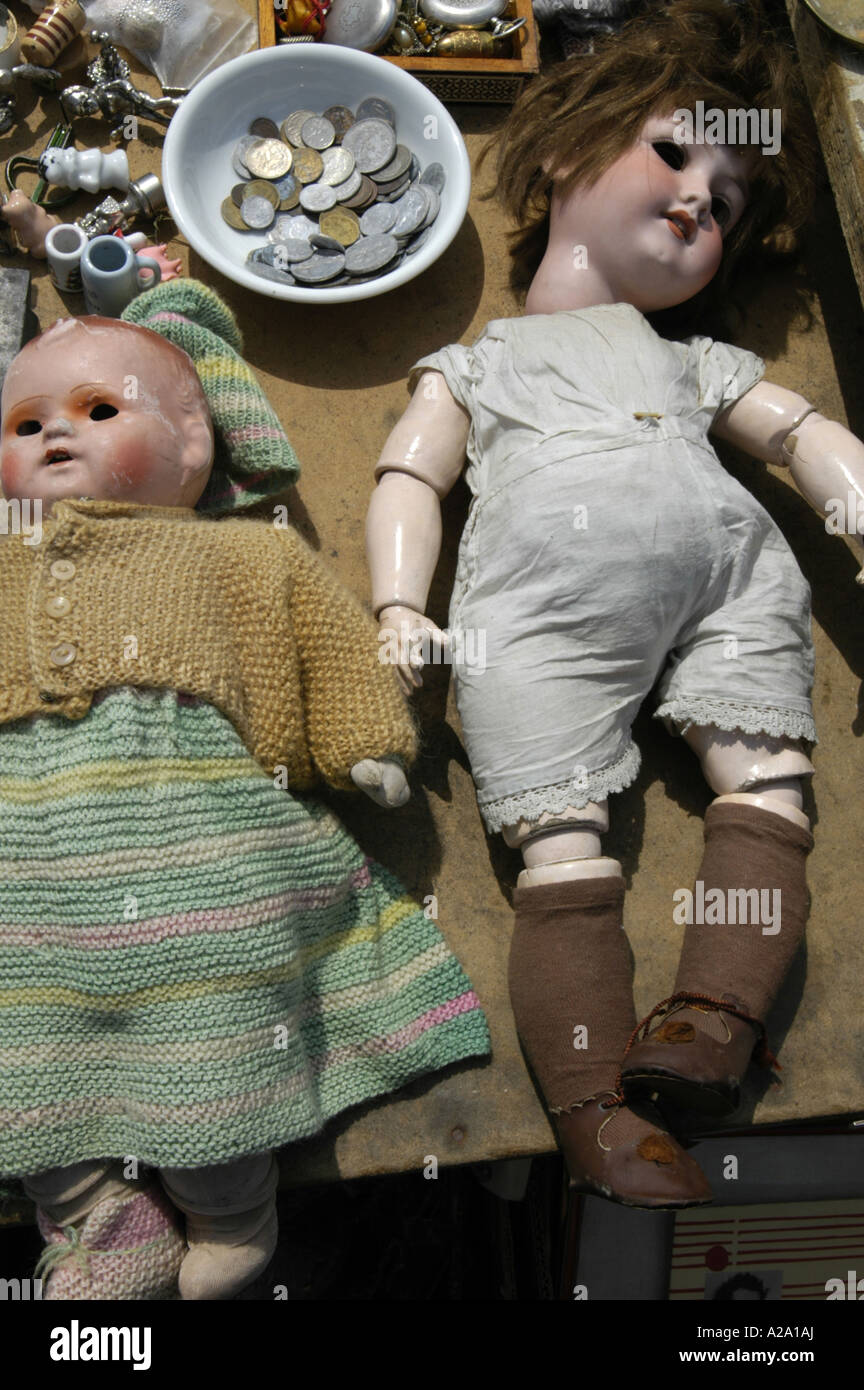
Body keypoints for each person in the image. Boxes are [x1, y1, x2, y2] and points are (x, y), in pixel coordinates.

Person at [365, 0, 864, 1208]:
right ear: (559, 156)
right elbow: (409, 472)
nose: (700, 196)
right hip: (537, 610)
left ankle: (715, 1017)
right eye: (674, 152)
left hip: (725, 577)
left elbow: (799, 434)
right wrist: (397, 603)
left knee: (768, 782)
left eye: (729, 203)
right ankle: (593, 1105)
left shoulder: (693, 361)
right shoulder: (480, 363)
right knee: (561, 846)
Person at [0, 279, 490, 1299]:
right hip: (25, 866)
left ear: (196, 443)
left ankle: (229, 1203)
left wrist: (362, 741)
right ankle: (97, 1210)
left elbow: (322, 634)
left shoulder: (239, 552)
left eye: (99, 410)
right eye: (24, 421)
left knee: (220, 1001)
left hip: (204, 843)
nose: (53, 435)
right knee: (16, 1047)